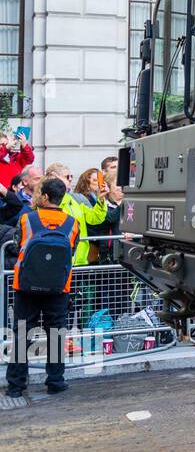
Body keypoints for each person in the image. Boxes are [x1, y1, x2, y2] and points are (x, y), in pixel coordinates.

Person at [5, 176, 79, 398]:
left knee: (21, 334)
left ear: (45, 196)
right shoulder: (72, 223)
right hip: (58, 287)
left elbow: (18, 246)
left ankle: (16, 385)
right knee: (56, 333)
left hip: (26, 285)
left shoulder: (28, 219)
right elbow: (71, 250)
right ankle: (55, 380)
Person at [45, 162, 120, 266]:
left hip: (80, 261)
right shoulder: (47, 201)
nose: (70, 179)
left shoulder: (75, 199)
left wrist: (101, 199)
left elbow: (95, 218)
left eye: (71, 176)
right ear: (54, 178)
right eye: (67, 177)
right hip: (59, 262)